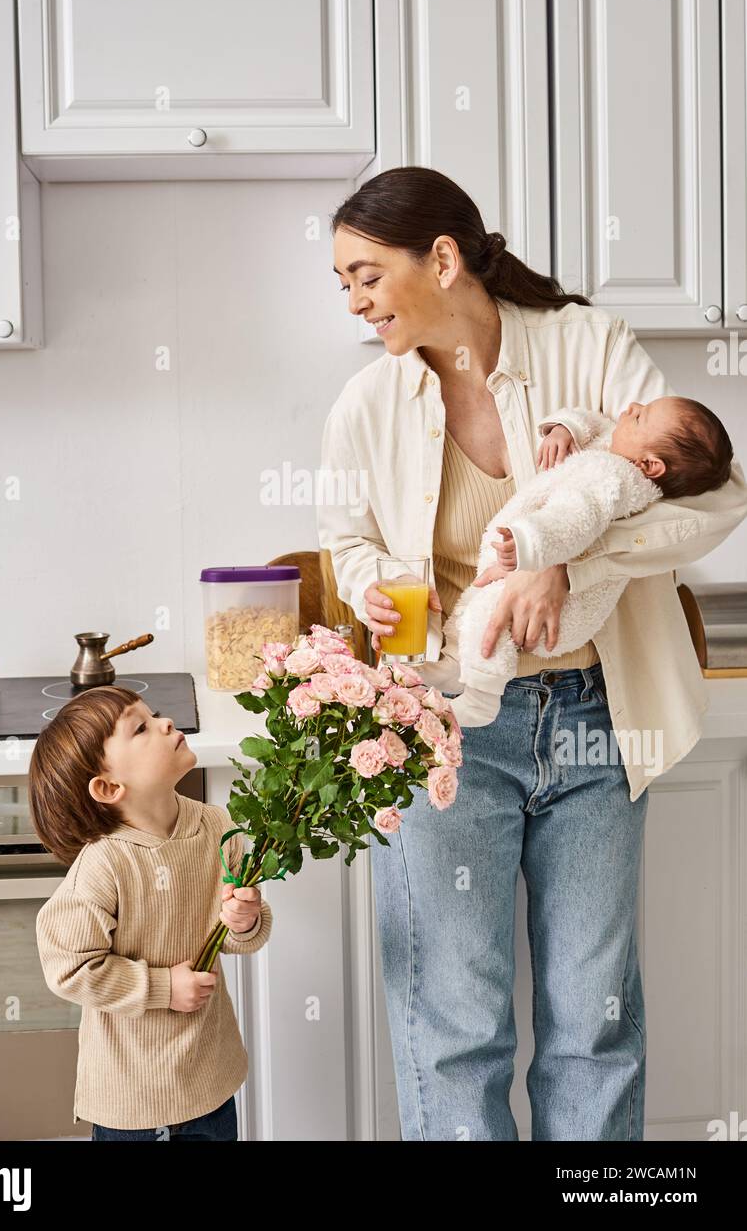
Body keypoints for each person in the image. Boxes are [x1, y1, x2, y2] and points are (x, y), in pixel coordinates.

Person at [317, 165, 747, 1141]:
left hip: (595, 715)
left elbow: (717, 491)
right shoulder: (366, 405)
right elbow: (345, 543)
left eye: (366, 274)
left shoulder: (587, 345)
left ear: (442, 257)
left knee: (594, 1024)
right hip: (439, 732)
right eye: (342, 282)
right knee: (453, 1028)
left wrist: (574, 558)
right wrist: (372, 586)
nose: (354, 301)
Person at [28, 685, 272, 1141]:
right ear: (108, 787)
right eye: (140, 727)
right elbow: (69, 966)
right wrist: (164, 987)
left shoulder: (216, 827)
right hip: (133, 1102)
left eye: (155, 714)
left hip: (210, 1083)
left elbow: (240, 932)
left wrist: (246, 919)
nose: (164, 723)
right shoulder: (105, 864)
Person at [429, 395, 734, 726]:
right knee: (477, 604)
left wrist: (530, 545)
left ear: (649, 465)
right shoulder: (618, 447)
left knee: (492, 613)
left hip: (568, 608)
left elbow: (575, 518)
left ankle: (482, 698)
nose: (630, 406)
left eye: (640, 417)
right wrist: (565, 429)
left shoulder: (617, 479)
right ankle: (454, 662)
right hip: (527, 571)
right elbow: (593, 421)